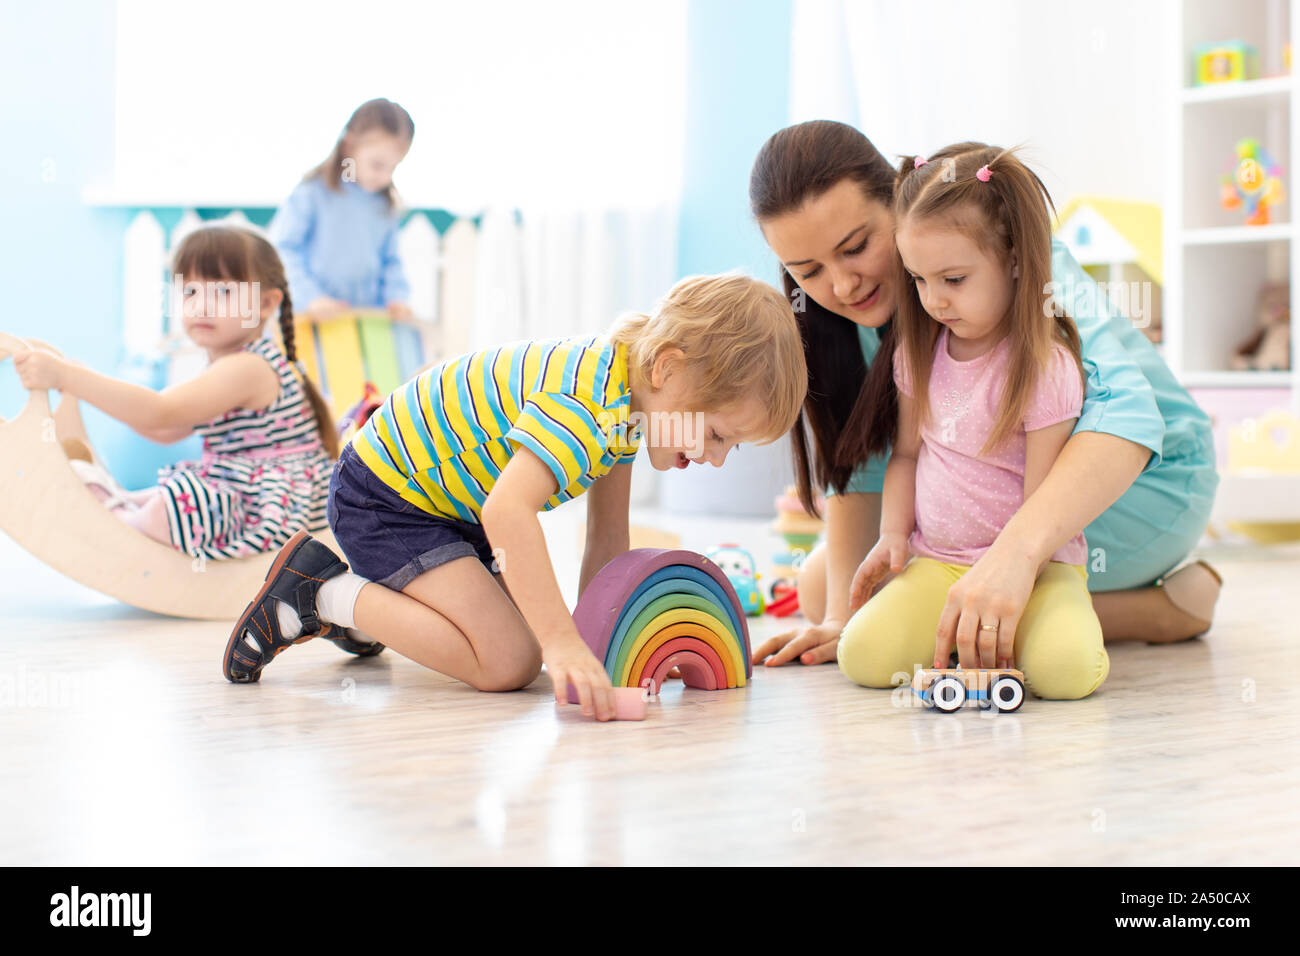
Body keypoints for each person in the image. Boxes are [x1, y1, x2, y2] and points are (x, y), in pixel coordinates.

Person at [221, 274, 808, 721]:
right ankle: (321, 591)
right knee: (511, 662)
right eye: (716, 434)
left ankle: (373, 609)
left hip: (448, 507)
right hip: (385, 497)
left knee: (519, 641)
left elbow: (605, 542)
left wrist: (606, 647)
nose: (713, 456)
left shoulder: (629, 403)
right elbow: (508, 511)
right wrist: (561, 644)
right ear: (669, 368)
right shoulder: (590, 402)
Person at [748, 120, 1220, 669]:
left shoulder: (1021, 263)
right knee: (824, 588)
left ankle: (1156, 614)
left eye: (856, 247)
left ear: (899, 206)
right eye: (807, 272)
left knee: (908, 598)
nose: (843, 285)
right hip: (992, 495)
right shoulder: (848, 318)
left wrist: (1015, 554)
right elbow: (870, 465)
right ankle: (1119, 610)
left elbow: (1128, 417)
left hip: (1145, 484)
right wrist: (836, 618)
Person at [838, 143, 1106, 698]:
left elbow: (1043, 500)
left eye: (953, 279)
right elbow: (907, 455)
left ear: (1012, 258)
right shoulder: (916, 352)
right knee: (862, 656)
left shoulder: (1044, 365)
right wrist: (892, 535)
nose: (933, 300)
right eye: (918, 279)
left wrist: (1013, 577)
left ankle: (1009, 634)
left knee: (1066, 674)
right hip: (937, 564)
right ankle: (962, 638)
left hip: (1030, 572)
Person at [13, 225, 337, 561]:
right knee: (157, 497)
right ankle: (127, 508)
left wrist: (70, 377)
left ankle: (123, 520)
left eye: (223, 292)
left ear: (267, 303)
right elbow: (164, 430)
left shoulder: (248, 367)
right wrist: (85, 386)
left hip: (274, 509)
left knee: (168, 508)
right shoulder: (233, 364)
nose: (202, 306)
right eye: (191, 291)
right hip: (250, 494)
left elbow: (160, 411)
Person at [270, 98, 415, 321]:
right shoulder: (312, 193)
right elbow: (284, 250)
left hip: (363, 321)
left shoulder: (384, 206)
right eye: (377, 165)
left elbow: (391, 261)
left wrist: (396, 298)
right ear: (349, 146)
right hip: (311, 319)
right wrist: (311, 298)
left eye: (393, 168)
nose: (385, 177)